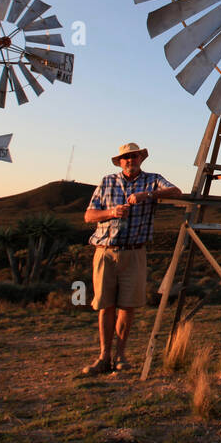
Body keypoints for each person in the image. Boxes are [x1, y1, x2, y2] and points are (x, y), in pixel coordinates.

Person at [81, 142, 182, 375]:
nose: (130, 161)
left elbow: (176, 192)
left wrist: (148, 195)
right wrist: (111, 212)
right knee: (105, 306)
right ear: (120, 161)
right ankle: (103, 356)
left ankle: (120, 356)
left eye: (134, 157)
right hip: (106, 251)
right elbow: (88, 215)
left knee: (127, 306)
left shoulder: (153, 179)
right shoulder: (107, 181)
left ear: (140, 159)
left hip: (135, 251)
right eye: (126, 158)